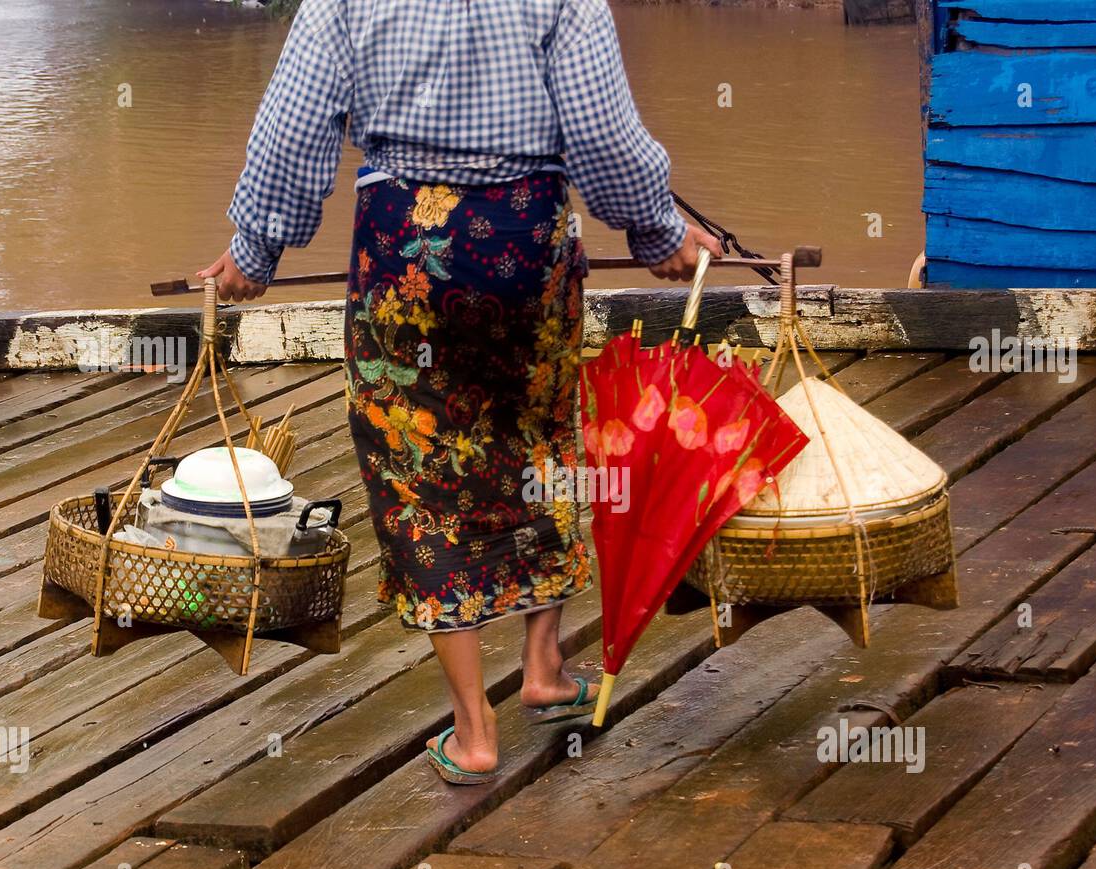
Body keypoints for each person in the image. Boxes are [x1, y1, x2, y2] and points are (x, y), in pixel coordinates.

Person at [199, 0, 721, 784]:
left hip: (407, 249)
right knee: (538, 436)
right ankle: (544, 667)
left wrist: (253, 251)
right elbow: (603, 134)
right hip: (526, 247)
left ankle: (475, 730)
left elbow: (292, 127)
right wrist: (659, 233)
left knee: (416, 468)